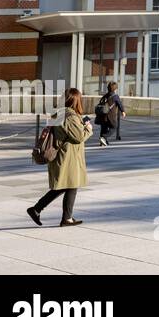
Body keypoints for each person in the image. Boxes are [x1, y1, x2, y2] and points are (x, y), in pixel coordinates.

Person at [27, 88, 90, 228]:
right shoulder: (70, 116)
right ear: (75, 100)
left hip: (62, 155)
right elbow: (79, 137)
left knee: (67, 185)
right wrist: (88, 128)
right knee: (70, 184)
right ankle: (59, 216)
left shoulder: (58, 113)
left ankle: (42, 211)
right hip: (68, 157)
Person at [94, 81, 125, 147]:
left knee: (104, 128)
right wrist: (123, 111)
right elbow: (119, 104)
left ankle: (103, 142)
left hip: (103, 115)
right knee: (114, 127)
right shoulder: (115, 96)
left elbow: (100, 103)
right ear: (115, 89)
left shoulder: (105, 96)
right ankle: (104, 138)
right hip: (110, 116)